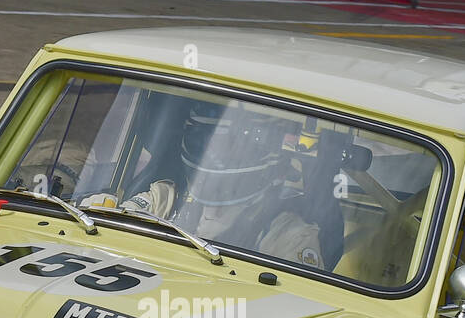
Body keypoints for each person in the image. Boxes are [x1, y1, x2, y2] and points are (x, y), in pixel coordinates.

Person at [109, 104, 327, 271]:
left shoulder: (289, 235)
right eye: (205, 142)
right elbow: (113, 229)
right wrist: (97, 209)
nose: (213, 156)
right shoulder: (166, 199)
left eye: (228, 145)